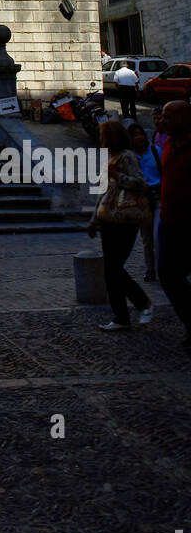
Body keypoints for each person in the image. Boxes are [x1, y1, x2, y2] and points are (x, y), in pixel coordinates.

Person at [86, 120, 152, 331]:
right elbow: (104, 192)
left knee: (113, 268)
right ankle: (121, 316)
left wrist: (118, 176)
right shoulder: (112, 158)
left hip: (125, 218)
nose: (100, 139)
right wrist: (94, 220)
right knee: (111, 269)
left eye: (102, 135)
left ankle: (139, 304)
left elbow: (140, 183)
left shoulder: (128, 156)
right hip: (109, 218)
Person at [156, 100, 191, 350]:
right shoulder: (167, 142)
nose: (162, 120)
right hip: (169, 221)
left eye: (168, 117)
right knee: (168, 276)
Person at [129, 122, 161, 281]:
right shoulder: (129, 157)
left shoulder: (156, 151)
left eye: (140, 133)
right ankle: (150, 269)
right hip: (142, 199)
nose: (139, 137)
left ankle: (164, 267)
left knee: (159, 235)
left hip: (158, 196)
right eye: (135, 135)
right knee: (147, 238)